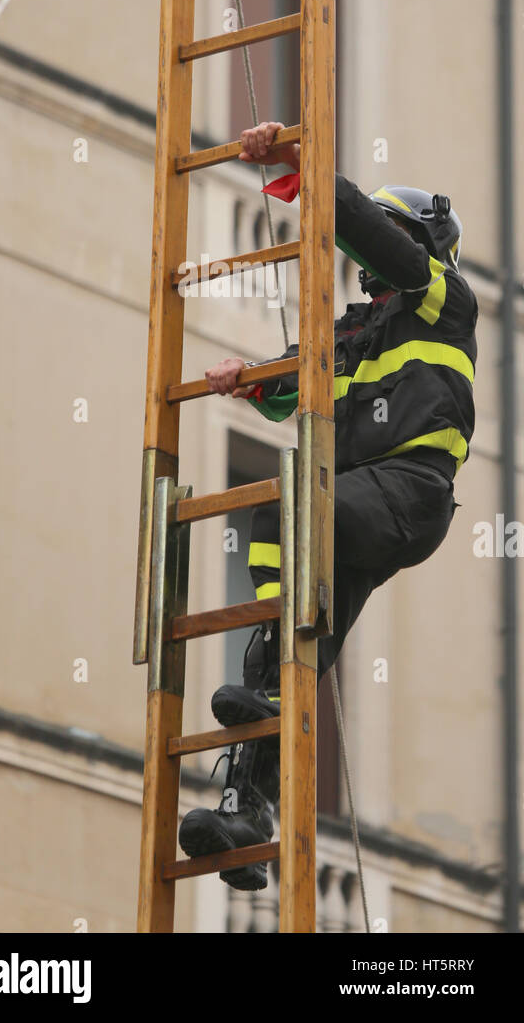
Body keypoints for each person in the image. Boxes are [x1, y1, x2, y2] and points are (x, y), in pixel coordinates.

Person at [179, 122, 478, 891]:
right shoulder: (355, 333)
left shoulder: (444, 299)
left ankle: (272, 685)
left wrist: (309, 171)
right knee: (296, 656)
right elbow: (303, 384)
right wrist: (251, 378)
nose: (364, 267)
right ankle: (251, 808)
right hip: (358, 509)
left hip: (409, 490)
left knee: (281, 515)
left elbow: (388, 247)